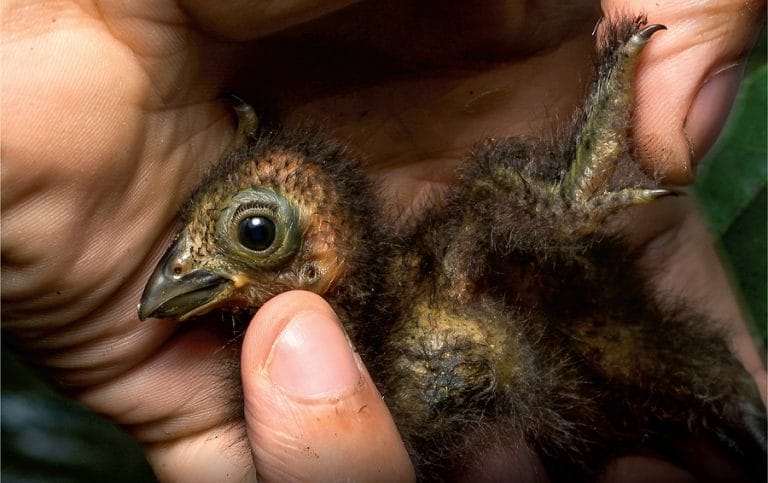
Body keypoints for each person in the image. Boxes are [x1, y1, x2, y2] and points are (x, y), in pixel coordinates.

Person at [2, 1, 765, 481]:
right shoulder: (397, 340)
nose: (174, 275)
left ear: (322, 239)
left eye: (255, 232)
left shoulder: (467, 245)